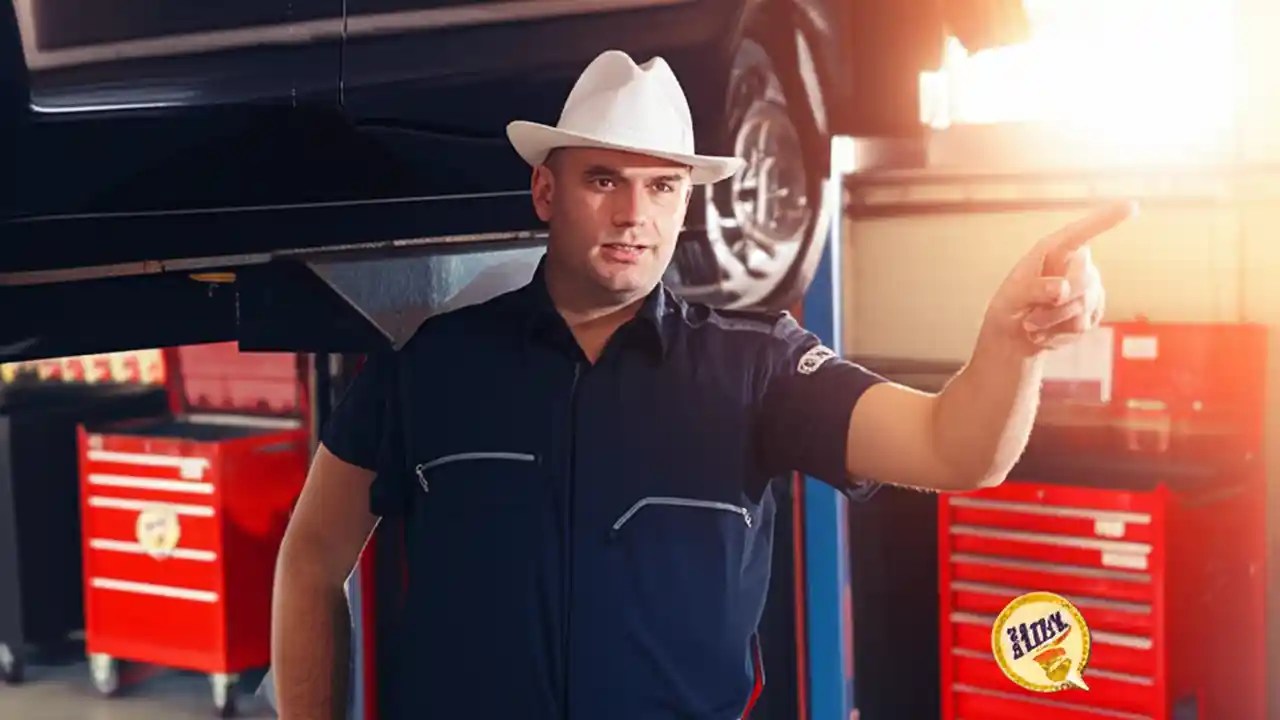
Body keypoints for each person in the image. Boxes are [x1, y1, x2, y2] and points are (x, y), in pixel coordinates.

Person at [269, 49, 1133, 719]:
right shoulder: (432, 367)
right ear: (546, 189)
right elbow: (312, 556)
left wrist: (1014, 343)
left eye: (661, 186)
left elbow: (956, 448)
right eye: (602, 179)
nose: (632, 215)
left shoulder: (757, 371)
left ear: (686, 203)